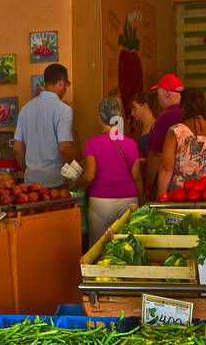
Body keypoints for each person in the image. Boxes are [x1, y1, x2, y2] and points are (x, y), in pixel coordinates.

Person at [78, 96, 145, 244]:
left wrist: (75, 184)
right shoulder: (131, 144)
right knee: (127, 245)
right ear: (119, 117)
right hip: (128, 200)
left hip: (101, 201)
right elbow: (137, 177)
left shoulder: (92, 143)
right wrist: (142, 202)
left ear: (99, 118)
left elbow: (89, 176)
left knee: (98, 247)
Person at [157, 86, 206, 197]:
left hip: (181, 196)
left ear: (183, 107)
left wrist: (160, 198)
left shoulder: (176, 132)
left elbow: (166, 169)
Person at [13, 62, 79, 188]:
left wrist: (29, 169)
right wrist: (75, 171)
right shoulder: (63, 110)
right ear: (61, 82)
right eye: (67, 84)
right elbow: (64, 147)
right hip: (55, 181)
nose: (66, 88)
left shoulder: (25, 109)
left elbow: (16, 148)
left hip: (30, 182)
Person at [144, 72, 185, 196]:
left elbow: (156, 155)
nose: (158, 98)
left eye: (158, 94)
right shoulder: (187, 112)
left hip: (168, 184)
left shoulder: (165, 116)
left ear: (165, 94)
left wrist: (148, 186)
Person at [129, 90, 158, 157]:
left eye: (134, 109)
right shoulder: (138, 127)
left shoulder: (156, 127)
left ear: (145, 106)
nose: (132, 114)